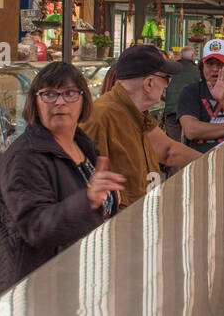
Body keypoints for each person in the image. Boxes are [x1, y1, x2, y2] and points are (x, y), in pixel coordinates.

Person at [0, 63, 125, 298]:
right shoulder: (25, 157)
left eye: (70, 93)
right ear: (35, 102)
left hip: (75, 282)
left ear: (83, 100)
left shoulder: (84, 146)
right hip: (32, 291)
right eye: (49, 94)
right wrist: (89, 200)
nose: (60, 102)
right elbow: (36, 226)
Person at [82, 45, 198, 205]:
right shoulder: (101, 116)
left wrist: (214, 162)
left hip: (143, 215)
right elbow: (86, 187)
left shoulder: (136, 112)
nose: (167, 85)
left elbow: (167, 151)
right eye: (166, 78)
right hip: (124, 223)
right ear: (149, 83)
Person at [162, 45, 200, 140]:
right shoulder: (198, 71)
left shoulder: (172, 68)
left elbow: (163, 88)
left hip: (171, 110)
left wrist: (167, 100)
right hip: (190, 111)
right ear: (192, 57)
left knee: (173, 142)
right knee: (190, 140)